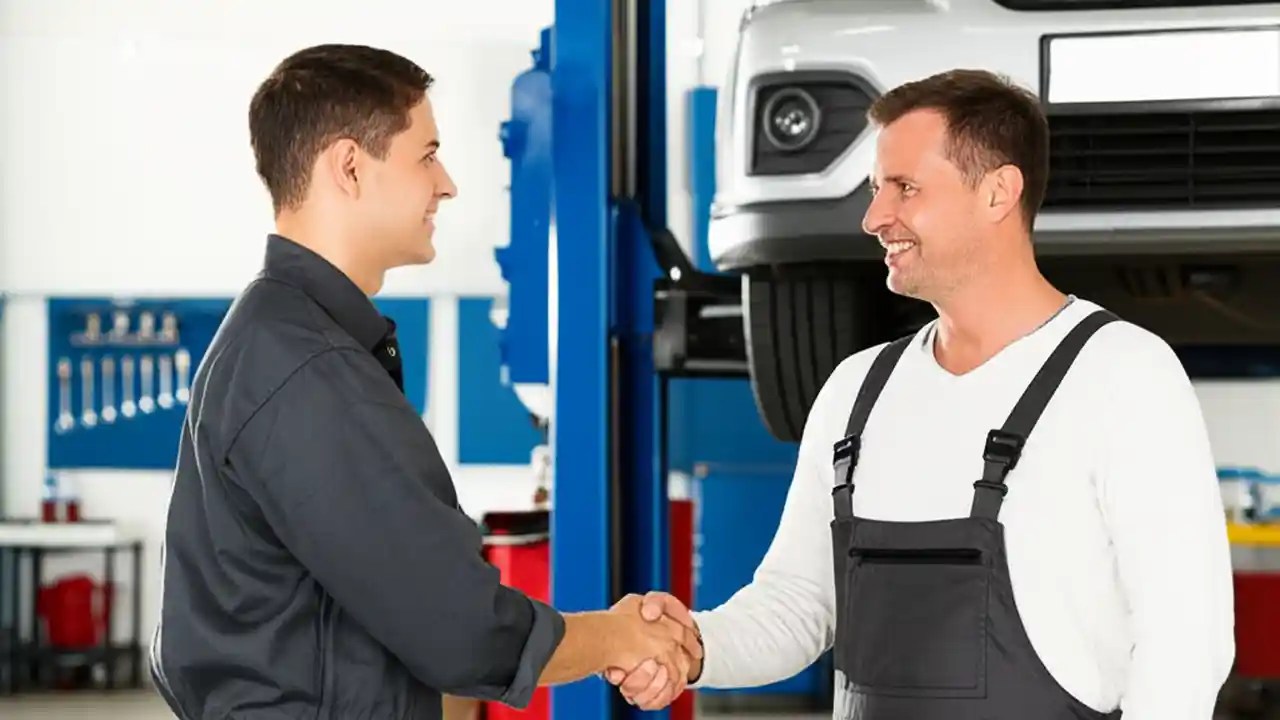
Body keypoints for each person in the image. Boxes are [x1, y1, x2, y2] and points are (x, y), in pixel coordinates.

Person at [608, 69, 1236, 718]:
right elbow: (798, 604)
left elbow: (1187, 642)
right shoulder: (858, 391)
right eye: (877, 189)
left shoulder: (1121, 376)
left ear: (998, 193)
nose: (874, 218)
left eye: (904, 188)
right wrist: (690, 645)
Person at [149, 43, 701, 720]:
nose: (446, 183)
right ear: (349, 167)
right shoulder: (307, 368)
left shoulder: (284, 340)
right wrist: (616, 635)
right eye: (426, 154)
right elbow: (460, 629)